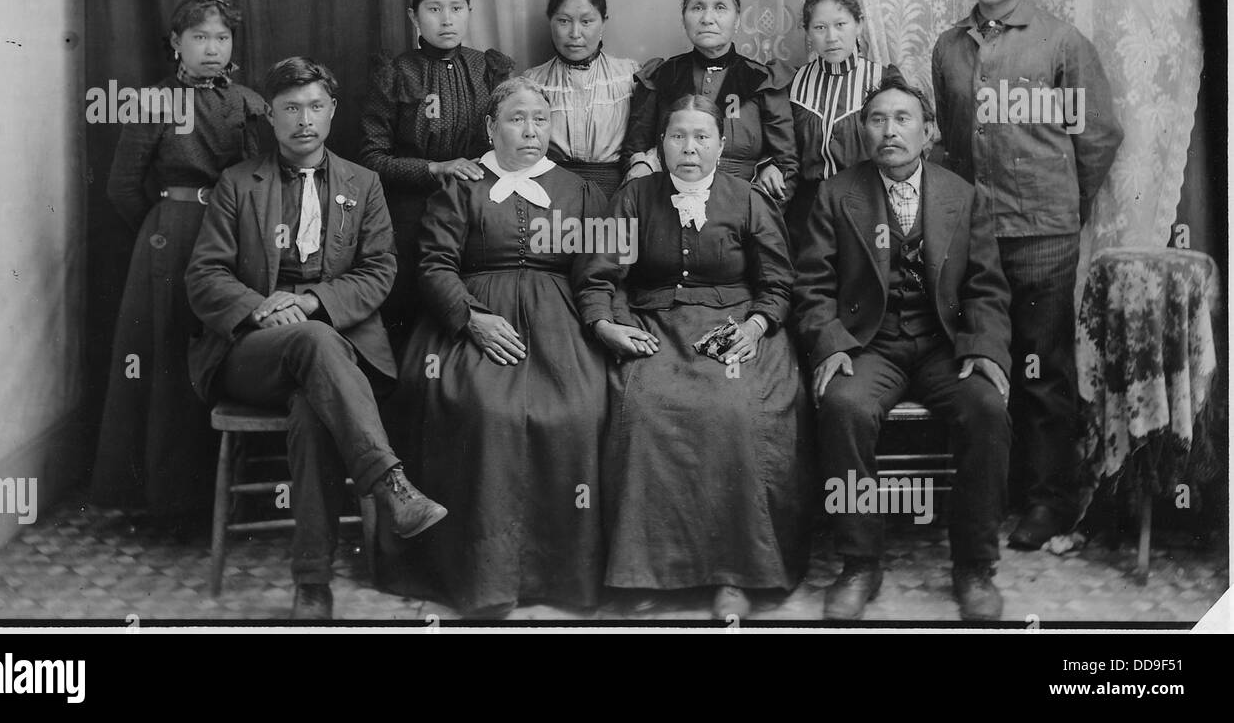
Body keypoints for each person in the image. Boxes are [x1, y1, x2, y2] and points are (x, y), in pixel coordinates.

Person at [185, 57, 447, 620]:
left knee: (312, 405)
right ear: (271, 117)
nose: (304, 120)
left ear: (332, 112)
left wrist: (308, 303)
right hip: (253, 351)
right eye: (290, 108)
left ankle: (312, 584)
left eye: (315, 107)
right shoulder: (237, 184)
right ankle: (392, 484)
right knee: (312, 343)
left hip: (338, 347)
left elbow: (379, 270)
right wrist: (261, 309)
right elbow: (205, 276)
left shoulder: (363, 182)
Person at [576, 93, 808, 621]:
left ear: (721, 145)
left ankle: (735, 571)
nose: (689, 147)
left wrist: (756, 326)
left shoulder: (747, 198)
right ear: (661, 145)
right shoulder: (634, 197)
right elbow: (598, 275)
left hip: (735, 326)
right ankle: (644, 570)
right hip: (654, 323)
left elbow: (777, 282)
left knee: (736, 412)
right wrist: (605, 324)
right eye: (678, 136)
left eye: (702, 137)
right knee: (644, 409)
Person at [931, 0, 1123, 550]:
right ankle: (998, 493)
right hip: (973, 238)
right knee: (983, 364)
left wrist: (1062, 205)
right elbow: (953, 145)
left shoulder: (1061, 42)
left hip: (1041, 235)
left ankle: (1049, 503)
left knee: (1043, 372)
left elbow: (1096, 137)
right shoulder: (949, 46)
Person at [793, 74, 1013, 621]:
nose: (889, 131)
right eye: (877, 119)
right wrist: (831, 347)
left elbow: (986, 286)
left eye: (903, 119)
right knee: (843, 407)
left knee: (987, 409)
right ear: (864, 131)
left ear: (928, 131)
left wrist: (983, 348)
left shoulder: (961, 196)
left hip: (944, 345)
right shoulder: (836, 193)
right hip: (871, 346)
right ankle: (860, 563)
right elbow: (812, 287)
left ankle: (974, 566)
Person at [397, 77, 610, 617]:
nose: (531, 130)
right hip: (471, 315)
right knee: (483, 409)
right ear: (491, 127)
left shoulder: (580, 191)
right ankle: (482, 577)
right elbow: (434, 264)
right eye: (517, 119)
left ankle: (562, 576)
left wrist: (601, 323)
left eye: (540, 119)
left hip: (561, 322)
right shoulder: (461, 185)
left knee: (578, 409)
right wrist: (471, 319)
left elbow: (597, 273)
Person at [91, 0, 269, 531]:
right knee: (166, 355)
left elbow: (265, 172)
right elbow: (122, 186)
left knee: (222, 353)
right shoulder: (153, 101)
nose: (212, 49)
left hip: (237, 237)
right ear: (176, 43)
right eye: (199, 38)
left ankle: (227, 499)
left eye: (221, 38)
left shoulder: (249, 102)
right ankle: (167, 503)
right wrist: (164, 225)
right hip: (171, 239)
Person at [360, 0, 515, 351]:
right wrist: (434, 168)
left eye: (456, 9)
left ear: (469, 12)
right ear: (414, 16)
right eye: (433, 9)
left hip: (477, 208)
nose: (446, 20)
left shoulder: (488, 69)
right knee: (412, 312)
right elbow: (371, 158)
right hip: (411, 212)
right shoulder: (395, 73)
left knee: (476, 306)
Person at [622, 0, 796, 206]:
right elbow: (634, 153)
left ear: (737, 20)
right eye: (697, 8)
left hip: (743, 208)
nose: (707, 18)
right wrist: (641, 165)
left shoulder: (762, 80)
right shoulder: (661, 76)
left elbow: (786, 167)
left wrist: (757, 217)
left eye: (720, 7)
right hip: (668, 205)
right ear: (684, 18)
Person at [786, 0, 900, 253]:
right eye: (820, 27)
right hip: (808, 210)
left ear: (858, 25)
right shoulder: (794, 82)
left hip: (868, 204)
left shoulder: (882, 80)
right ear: (808, 33)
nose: (831, 37)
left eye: (841, 24)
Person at [522, 0, 640, 198]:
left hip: (616, 193)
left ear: (603, 22)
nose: (575, 33)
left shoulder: (629, 76)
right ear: (551, 21)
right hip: (550, 193)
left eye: (587, 22)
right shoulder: (532, 82)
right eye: (564, 21)